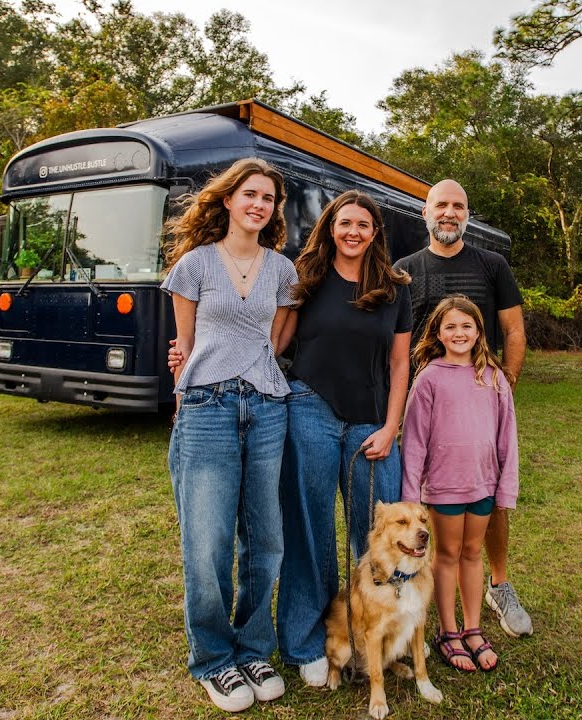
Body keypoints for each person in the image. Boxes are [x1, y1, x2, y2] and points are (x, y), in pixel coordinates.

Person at [161, 158, 299, 713]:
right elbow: (184, 348)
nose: (259, 204)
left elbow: (279, 343)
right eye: (250, 194)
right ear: (227, 200)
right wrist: (181, 402)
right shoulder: (194, 265)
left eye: (268, 198)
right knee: (208, 540)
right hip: (207, 408)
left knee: (266, 540)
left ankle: (254, 647)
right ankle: (215, 659)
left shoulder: (283, 271)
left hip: (267, 407)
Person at [274, 190, 413, 687]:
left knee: (375, 541)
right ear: (330, 226)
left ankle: (374, 639)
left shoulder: (395, 288)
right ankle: (306, 641)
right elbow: (273, 343)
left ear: (375, 233)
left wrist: (391, 427)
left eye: (363, 224)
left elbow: (400, 363)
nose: (352, 231)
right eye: (344, 222)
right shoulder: (304, 279)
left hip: (371, 424)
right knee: (309, 533)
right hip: (309, 408)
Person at [392, 178, 533, 638]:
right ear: (425, 212)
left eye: (458, 205)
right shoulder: (405, 270)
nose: (449, 213)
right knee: (421, 497)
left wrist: (502, 388)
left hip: (478, 406)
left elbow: (513, 332)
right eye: (440, 205)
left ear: (466, 214)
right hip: (423, 407)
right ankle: (415, 594)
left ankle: (499, 584)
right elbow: (390, 343)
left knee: (488, 497)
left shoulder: (492, 265)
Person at [401, 295, 518, 673]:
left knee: (472, 554)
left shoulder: (495, 377)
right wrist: (409, 498)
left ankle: (472, 628)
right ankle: (448, 631)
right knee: (447, 555)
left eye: (467, 325)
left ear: (479, 331)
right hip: (444, 487)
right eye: (450, 326)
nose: (459, 332)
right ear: (437, 332)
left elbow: (507, 439)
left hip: (482, 485)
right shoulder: (429, 377)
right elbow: (414, 441)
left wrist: (505, 487)